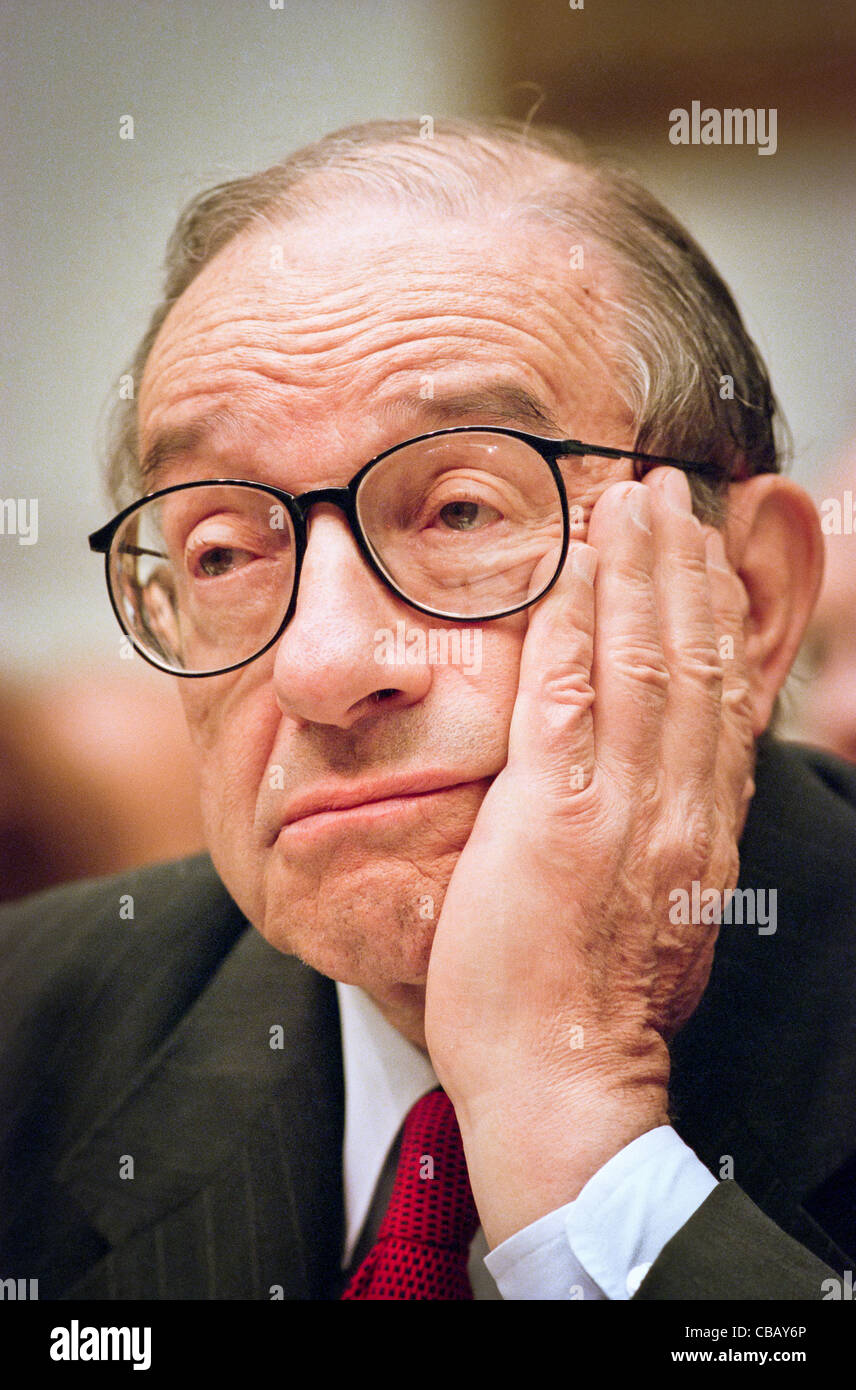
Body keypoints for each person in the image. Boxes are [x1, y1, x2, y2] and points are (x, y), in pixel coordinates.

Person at [2, 117, 854, 1302]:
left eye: (460, 509)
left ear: (750, 602)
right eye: (220, 552)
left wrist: (577, 1137)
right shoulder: (26, 1034)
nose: (324, 663)